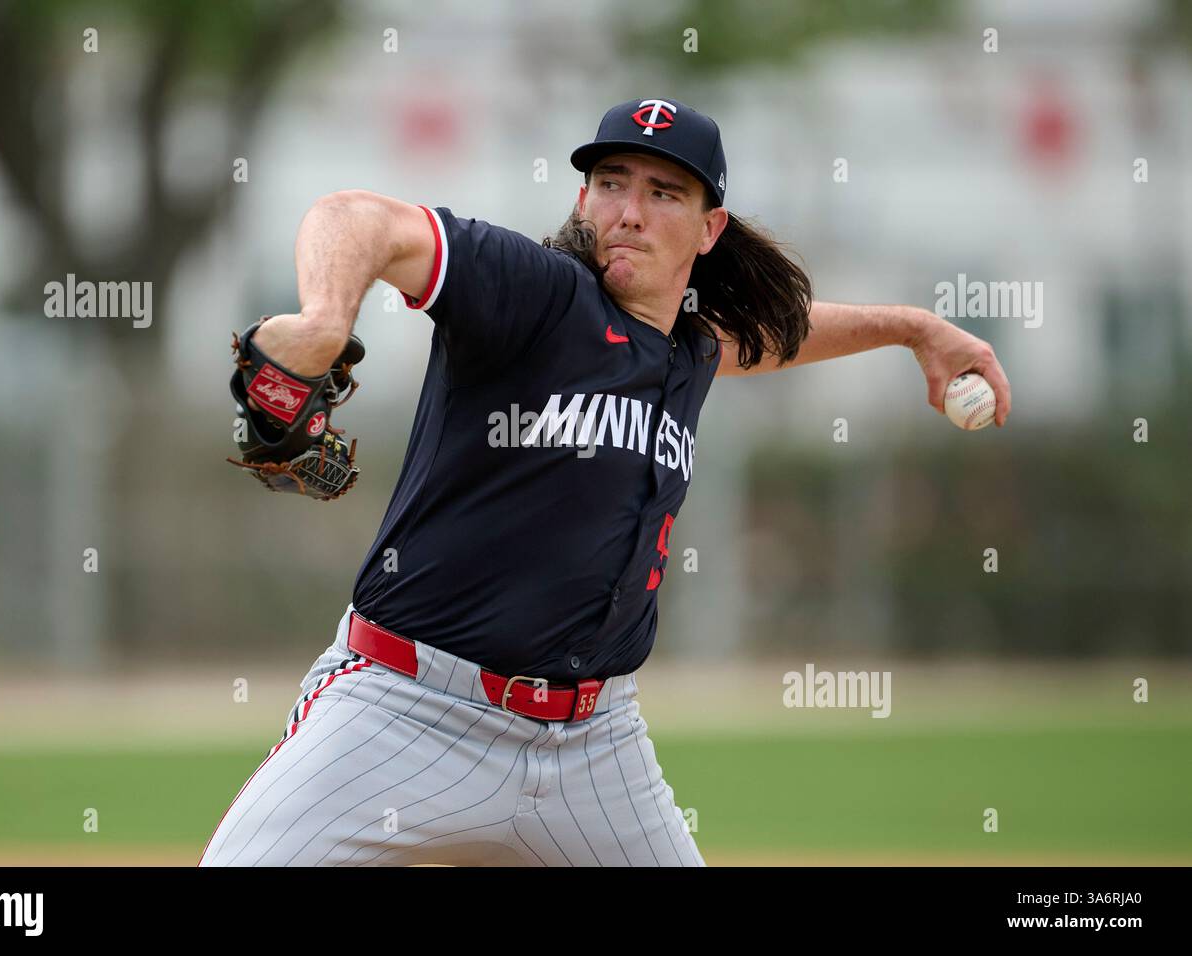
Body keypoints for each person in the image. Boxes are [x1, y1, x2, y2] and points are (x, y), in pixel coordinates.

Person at [199, 96, 1011, 867]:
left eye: (664, 192)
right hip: (407, 710)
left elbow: (776, 336)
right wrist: (323, 320)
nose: (629, 209)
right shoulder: (533, 294)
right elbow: (358, 217)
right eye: (611, 183)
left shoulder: (689, 351)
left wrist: (916, 329)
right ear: (584, 198)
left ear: (709, 228)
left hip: (592, 747)